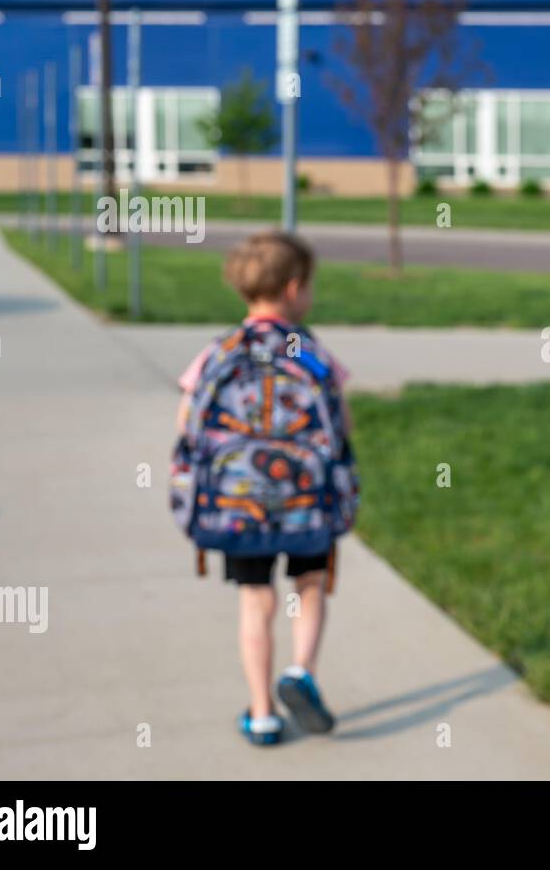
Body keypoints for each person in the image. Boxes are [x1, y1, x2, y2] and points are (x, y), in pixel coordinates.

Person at [176, 231, 352, 746]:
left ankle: (262, 713)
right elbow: (341, 424)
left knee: (257, 602)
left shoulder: (219, 351)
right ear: (295, 288)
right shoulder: (311, 352)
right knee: (311, 588)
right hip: (307, 509)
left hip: (239, 510)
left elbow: (187, 421)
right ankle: (300, 673)